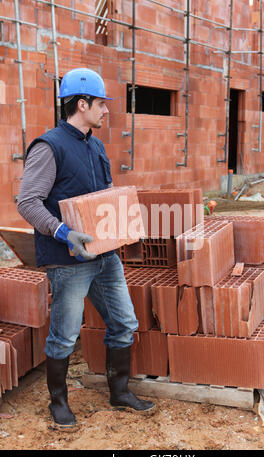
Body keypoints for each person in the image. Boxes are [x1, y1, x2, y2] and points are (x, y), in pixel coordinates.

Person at [17, 68, 155, 430]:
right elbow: (28, 201)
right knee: (64, 334)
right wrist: (64, 233)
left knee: (124, 323)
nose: (106, 110)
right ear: (82, 104)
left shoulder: (95, 145)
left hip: (104, 256)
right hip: (68, 259)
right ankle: (58, 403)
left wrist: (124, 224)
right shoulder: (49, 147)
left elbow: (104, 196)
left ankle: (119, 392)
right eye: (100, 104)